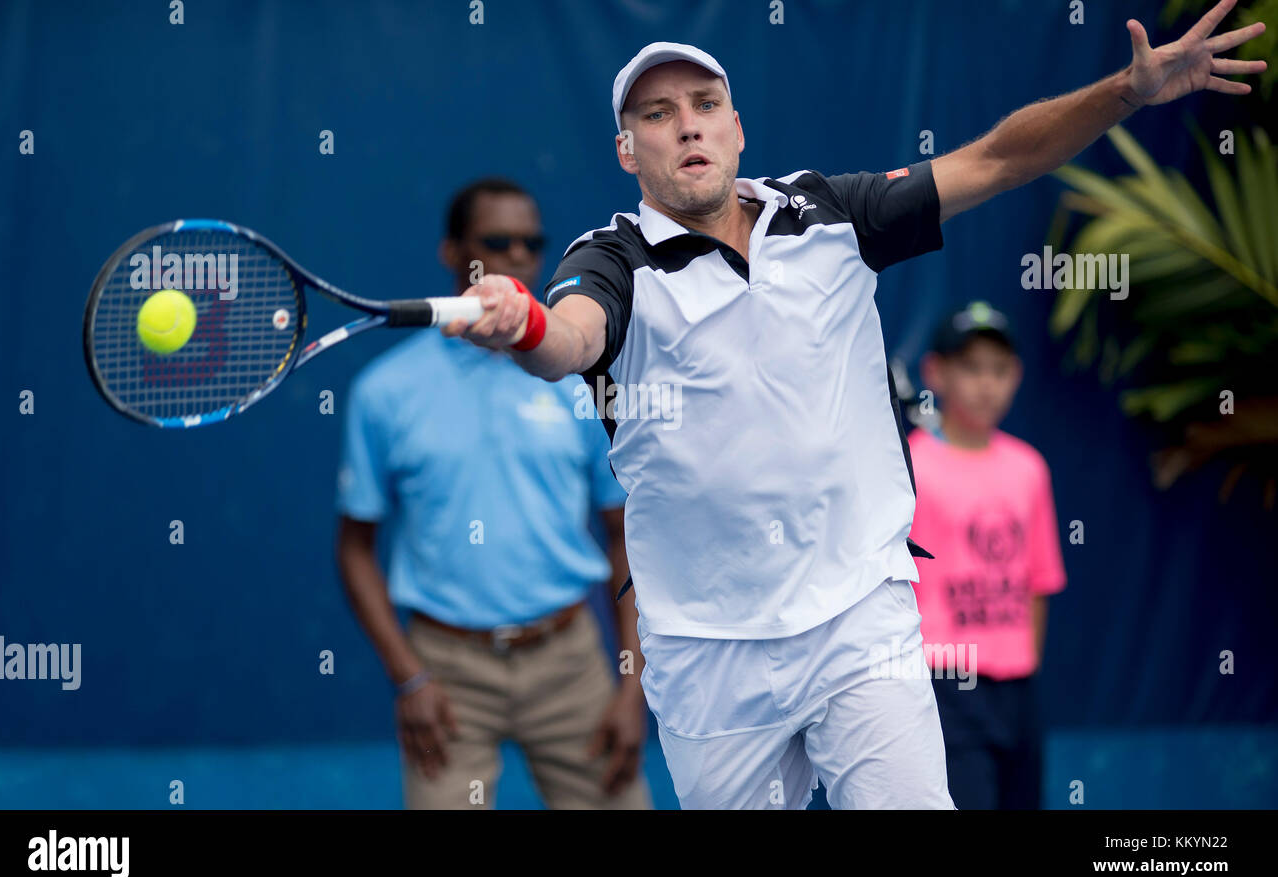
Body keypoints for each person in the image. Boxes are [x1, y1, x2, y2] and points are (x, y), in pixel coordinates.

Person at [438, 9, 1266, 809]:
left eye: (705, 106)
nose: (687, 126)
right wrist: (525, 323)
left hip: (861, 617)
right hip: (709, 651)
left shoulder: (830, 213)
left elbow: (1000, 159)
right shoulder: (610, 258)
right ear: (627, 149)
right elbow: (571, 339)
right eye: (657, 114)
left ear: (738, 129)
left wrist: (1125, 91)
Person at [336, 177, 651, 810]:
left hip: (571, 663)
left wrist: (631, 686)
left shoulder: (581, 381)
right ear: (452, 252)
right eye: (495, 242)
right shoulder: (385, 392)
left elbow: (628, 541)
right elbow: (354, 551)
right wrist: (410, 678)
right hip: (447, 672)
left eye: (531, 244)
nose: (515, 258)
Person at [909, 301, 1067, 809]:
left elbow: (1038, 581)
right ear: (936, 371)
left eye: (998, 370)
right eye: (971, 368)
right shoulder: (908, 463)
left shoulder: (1029, 469)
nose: (986, 384)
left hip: (1016, 690)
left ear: (1017, 377)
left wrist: (1024, 663)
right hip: (944, 683)